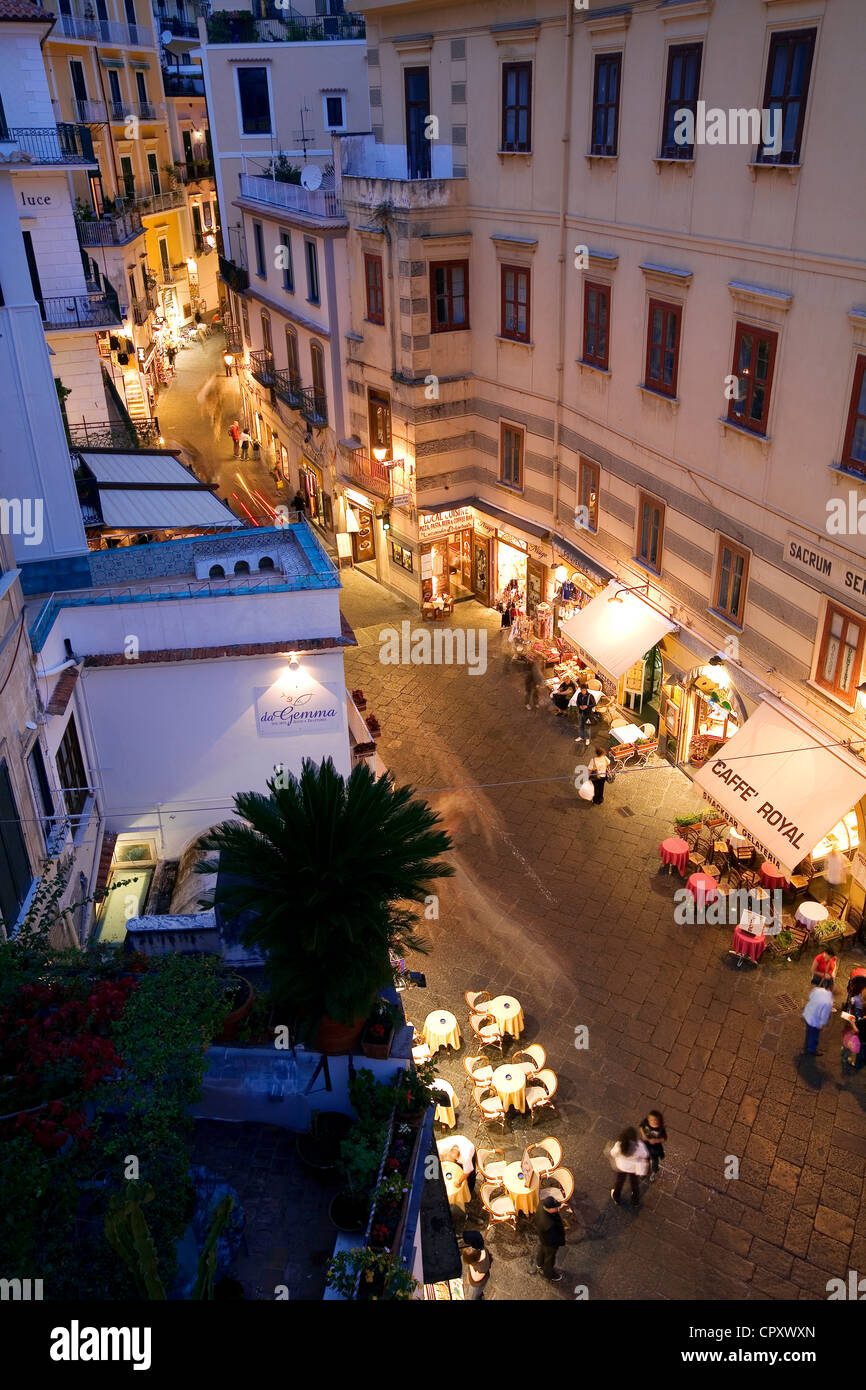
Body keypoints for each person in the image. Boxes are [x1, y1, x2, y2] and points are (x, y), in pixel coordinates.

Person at [610, 1127, 650, 1206]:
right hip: (634, 1169)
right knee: (634, 1183)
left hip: (621, 1167)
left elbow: (613, 1153)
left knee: (619, 1182)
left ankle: (616, 1196)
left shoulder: (619, 1145)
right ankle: (635, 1200)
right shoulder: (639, 1146)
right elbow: (645, 1154)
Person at [533, 1195, 565, 1281]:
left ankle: (539, 1263)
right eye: (555, 1208)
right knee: (550, 1258)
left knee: (542, 1249)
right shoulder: (549, 1224)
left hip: (542, 1237)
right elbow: (554, 1238)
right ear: (549, 1209)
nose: (557, 1208)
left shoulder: (541, 1204)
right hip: (550, 1242)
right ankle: (549, 1273)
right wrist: (558, 1243)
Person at [802, 978, 834, 1056]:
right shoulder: (828, 1001)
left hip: (808, 1014)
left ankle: (807, 1044)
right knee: (814, 1036)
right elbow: (824, 1016)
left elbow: (810, 997)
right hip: (815, 1021)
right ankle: (811, 1049)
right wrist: (823, 1025)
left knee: (808, 1031)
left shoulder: (817, 990)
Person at [639, 1112, 667, 1182]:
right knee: (645, 1158)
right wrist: (643, 1135)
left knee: (654, 1161)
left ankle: (654, 1172)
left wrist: (656, 1140)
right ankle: (644, 1170)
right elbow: (641, 1127)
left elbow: (664, 1138)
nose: (653, 1122)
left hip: (655, 1148)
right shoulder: (646, 1123)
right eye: (651, 1120)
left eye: (655, 1120)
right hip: (645, 1145)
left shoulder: (660, 1129)